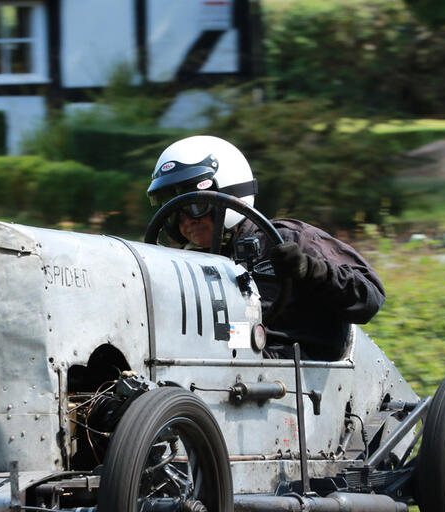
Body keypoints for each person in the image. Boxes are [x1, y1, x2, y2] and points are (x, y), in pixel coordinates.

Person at [147, 135, 385, 360]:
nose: (186, 220)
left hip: (295, 379)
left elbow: (370, 299)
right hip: (221, 372)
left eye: (195, 205)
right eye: (174, 210)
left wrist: (311, 270)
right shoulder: (181, 263)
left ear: (227, 190)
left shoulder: (287, 239)